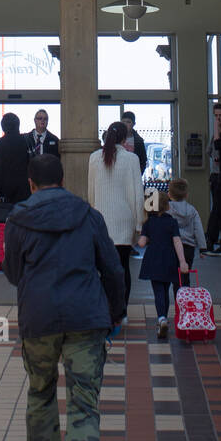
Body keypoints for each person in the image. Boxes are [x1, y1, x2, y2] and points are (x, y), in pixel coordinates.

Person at [3, 154, 125, 441]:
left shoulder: (17, 218)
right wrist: (114, 313)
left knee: (41, 393)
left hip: (38, 319)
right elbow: (113, 269)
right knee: (84, 403)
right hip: (86, 318)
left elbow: (13, 273)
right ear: (63, 181)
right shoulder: (89, 215)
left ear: (31, 184)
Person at [87, 120, 144, 320]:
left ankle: (103, 309)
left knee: (102, 269)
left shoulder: (94, 158)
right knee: (122, 268)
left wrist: (92, 219)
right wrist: (139, 224)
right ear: (123, 138)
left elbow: (91, 193)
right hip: (124, 223)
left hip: (101, 223)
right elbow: (137, 194)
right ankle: (121, 312)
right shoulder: (132, 159)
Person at [138, 192, 190, 339]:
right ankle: (164, 317)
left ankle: (161, 318)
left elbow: (141, 243)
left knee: (158, 290)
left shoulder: (149, 223)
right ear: (167, 206)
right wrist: (182, 261)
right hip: (169, 259)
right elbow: (177, 242)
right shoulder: (172, 222)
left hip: (153, 259)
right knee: (165, 289)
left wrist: (139, 235)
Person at [167, 177, 207, 275]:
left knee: (170, 274)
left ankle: (173, 290)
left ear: (169, 194)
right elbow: (198, 229)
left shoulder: (167, 209)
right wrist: (202, 248)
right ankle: (184, 289)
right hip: (189, 247)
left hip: (171, 245)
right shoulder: (192, 210)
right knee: (184, 275)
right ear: (186, 195)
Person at [205, 101, 221, 254]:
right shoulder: (217, 132)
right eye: (216, 116)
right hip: (216, 175)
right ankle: (213, 240)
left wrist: (216, 130)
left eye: (220, 116)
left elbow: (219, 145)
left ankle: (216, 240)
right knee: (217, 209)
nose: (218, 119)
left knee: (220, 210)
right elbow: (210, 149)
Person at [0, 113, 30, 204]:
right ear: (18, 125)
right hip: (24, 186)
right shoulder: (25, 140)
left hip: (6, 187)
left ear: (3, 127)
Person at [120, 111, 147, 176]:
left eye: (128, 122)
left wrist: (138, 175)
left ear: (134, 124)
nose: (125, 124)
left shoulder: (139, 141)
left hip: (132, 174)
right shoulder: (116, 139)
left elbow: (142, 161)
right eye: (123, 122)